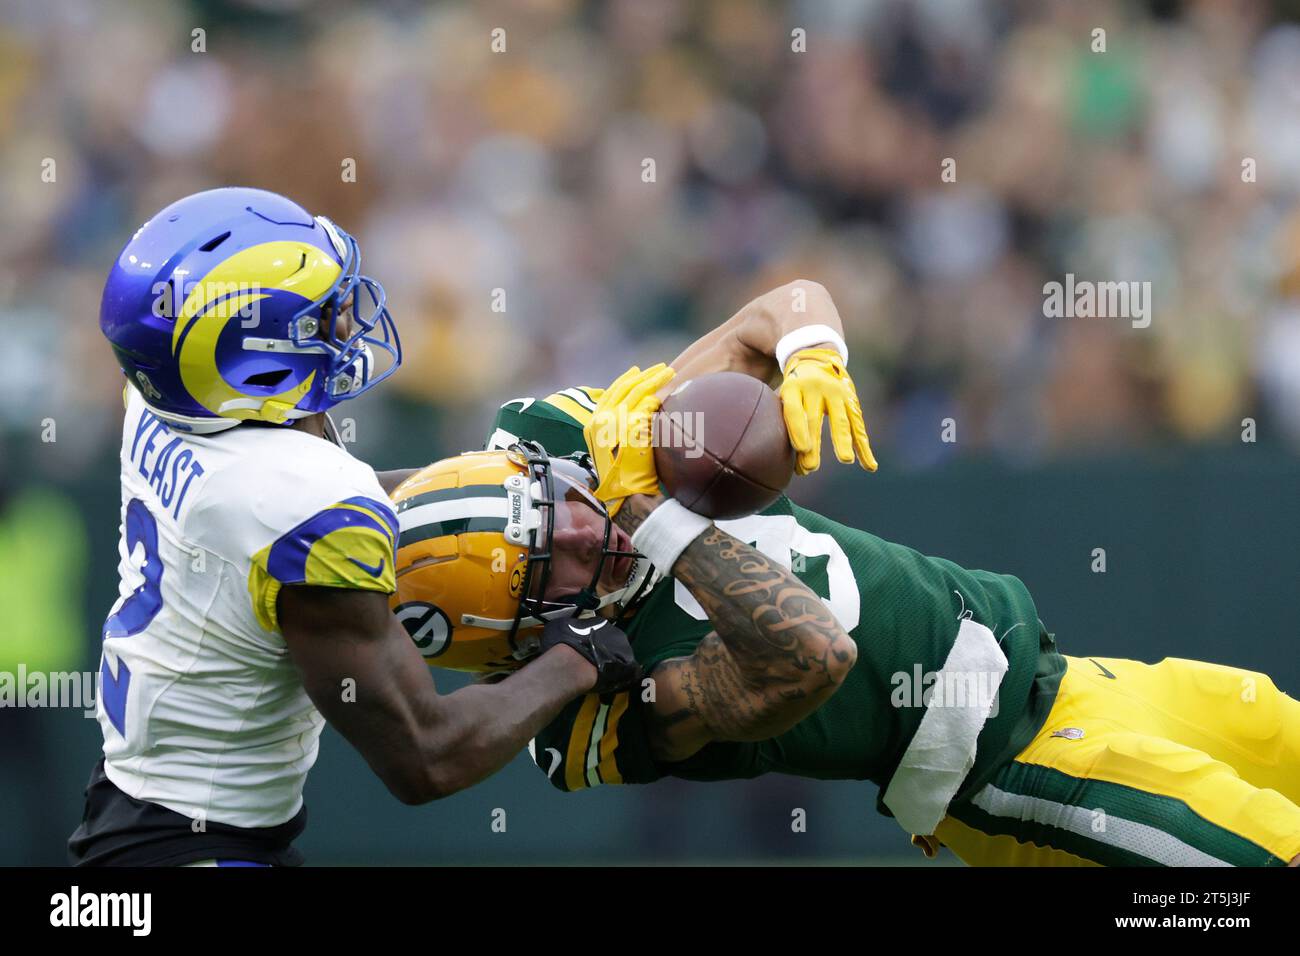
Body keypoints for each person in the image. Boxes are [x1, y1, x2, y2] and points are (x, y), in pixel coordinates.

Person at [393, 280, 1300, 866]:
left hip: (1076, 680)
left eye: (559, 501)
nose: (587, 524)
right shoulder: (589, 715)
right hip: (1013, 773)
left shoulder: (573, 449)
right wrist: (653, 515)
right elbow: (810, 655)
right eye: (558, 559)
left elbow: (782, 306)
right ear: (528, 633)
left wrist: (812, 353)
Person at [69, 187, 638, 867]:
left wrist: (503, 481)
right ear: (250, 351)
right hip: (201, 847)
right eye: (319, 314)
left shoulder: (164, 399)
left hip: (142, 811)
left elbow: (303, 494)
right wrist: (575, 659)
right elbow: (428, 756)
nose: (346, 322)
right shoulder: (301, 501)